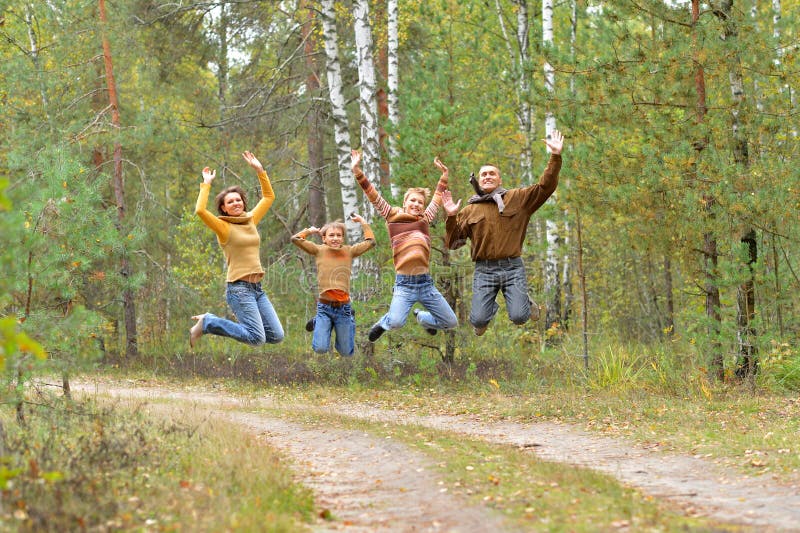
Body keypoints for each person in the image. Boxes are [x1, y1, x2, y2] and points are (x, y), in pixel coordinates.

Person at [443, 130, 564, 336]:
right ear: (479, 181)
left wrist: (555, 157)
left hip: (512, 268)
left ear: (499, 180)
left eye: (492, 173)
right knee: (478, 322)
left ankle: (522, 300)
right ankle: (491, 306)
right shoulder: (469, 210)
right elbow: (454, 244)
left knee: (519, 317)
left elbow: (545, 187)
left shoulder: (517, 199)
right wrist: (452, 216)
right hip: (484, 271)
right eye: (484, 174)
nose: (488, 176)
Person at [351, 150, 458, 342]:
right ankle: (383, 322)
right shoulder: (392, 215)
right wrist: (357, 170)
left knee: (451, 322)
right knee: (396, 323)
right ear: (405, 202)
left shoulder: (425, 218)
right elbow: (372, 195)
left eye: (420, 202)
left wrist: (444, 176)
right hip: (404, 285)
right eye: (413, 201)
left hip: (425, 284)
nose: (417, 204)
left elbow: (437, 197)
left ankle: (424, 318)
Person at [189, 151, 285, 348]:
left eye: (238, 199)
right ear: (223, 208)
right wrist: (206, 184)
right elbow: (200, 210)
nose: (235, 203)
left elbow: (268, 196)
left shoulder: (251, 219)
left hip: (257, 289)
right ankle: (209, 322)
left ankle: (209, 321)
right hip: (239, 289)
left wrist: (260, 171)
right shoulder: (223, 227)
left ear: (243, 202)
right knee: (257, 338)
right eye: (230, 202)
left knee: (276, 336)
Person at [291, 214, 376, 356]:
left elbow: (371, 242)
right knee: (320, 348)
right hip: (324, 307)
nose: (335, 238)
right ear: (324, 238)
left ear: (343, 238)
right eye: (331, 235)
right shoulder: (318, 250)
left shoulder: (349, 251)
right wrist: (309, 231)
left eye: (339, 235)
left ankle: (351, 319)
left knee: (345, 352)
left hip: (344, 309)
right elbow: (295, 239)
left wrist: (363, 222)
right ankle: (318, 321)